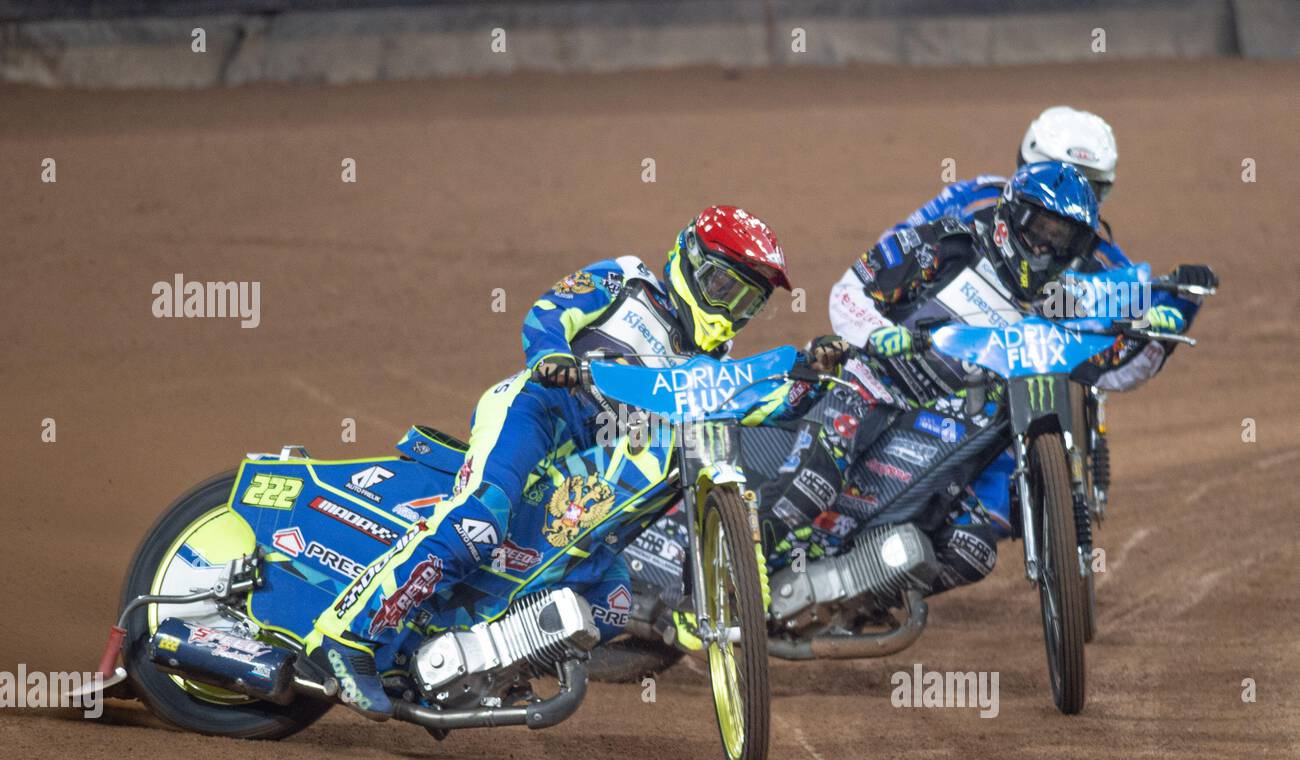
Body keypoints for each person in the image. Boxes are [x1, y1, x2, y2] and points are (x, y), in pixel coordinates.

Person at [305, 205, 808, 717]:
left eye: (748, 301)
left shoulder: (709, 368)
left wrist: (813, 376)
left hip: (583, 474)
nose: (732, 309)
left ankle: (482, 665)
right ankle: (346, 636)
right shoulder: (628, 281)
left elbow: (760, 403)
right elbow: (550, 310)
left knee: (611, 600)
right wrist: (552, 354)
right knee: (479, 520)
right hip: (536, 413)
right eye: (725, 288)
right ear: (691, 262)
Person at [795, 162, 1210, 595]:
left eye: (1062, 239)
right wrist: (880, 335)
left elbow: (1115, 363)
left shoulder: (1065, 300)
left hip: (947, 446)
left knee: (972, 549)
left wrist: (1167, 316)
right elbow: (852, 290)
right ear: (1011, 216)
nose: (1046, 248)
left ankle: (863, 596)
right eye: (1041, 230)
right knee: (813, 480)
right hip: (877, 395)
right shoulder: (951, 243)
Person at [870, 104, 1215, 391]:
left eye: (1093, 186)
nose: (1075, 194)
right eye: (1066, 175)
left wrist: (1177, 299)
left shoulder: (1098, 252)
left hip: (1038, 378)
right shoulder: (977, 197)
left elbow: (1131, 300)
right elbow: (899, 244)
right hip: (940, 348)